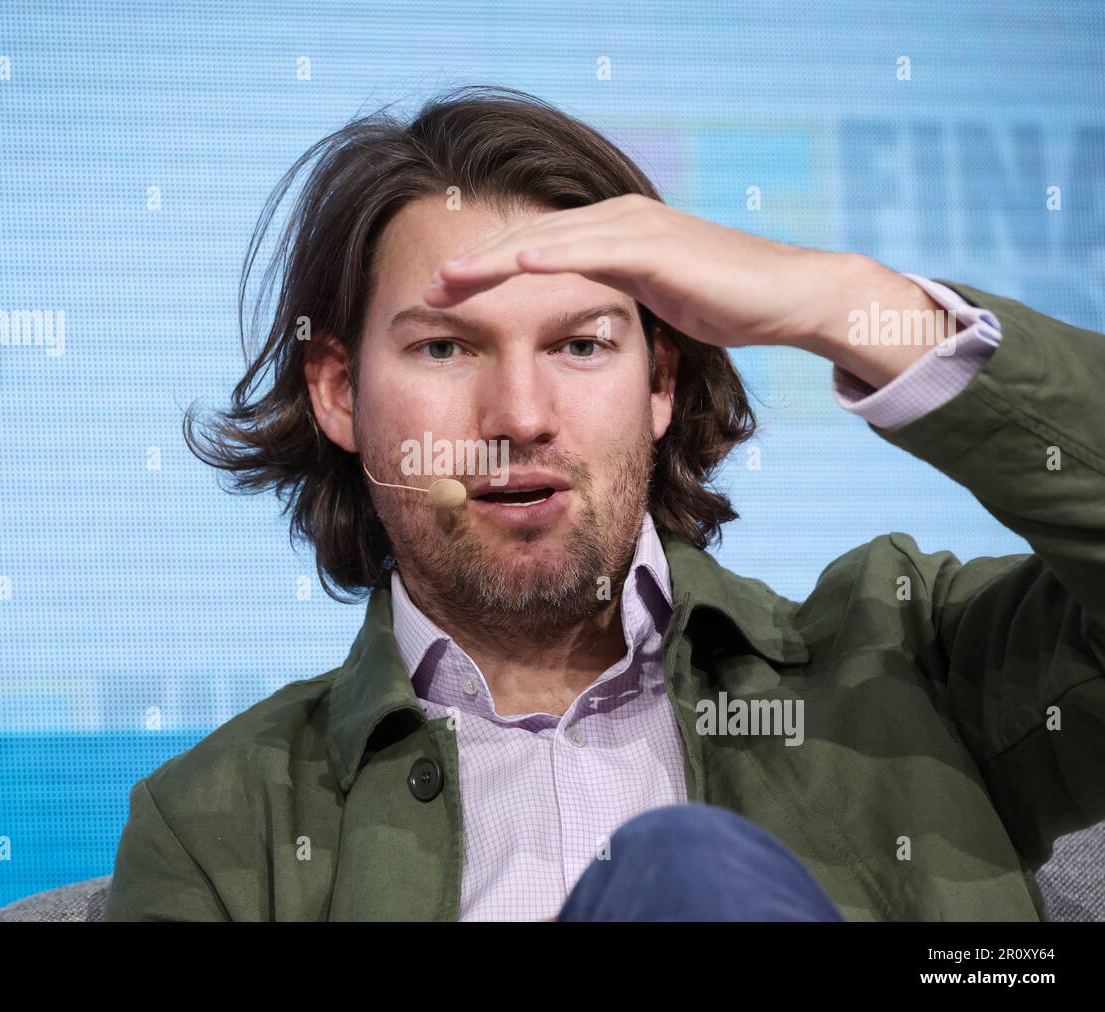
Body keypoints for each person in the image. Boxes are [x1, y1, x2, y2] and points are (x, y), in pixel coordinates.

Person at [104, 85, 1105, 921]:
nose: (520, 414)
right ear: (337, 393)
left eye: (579, 344)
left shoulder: (906, 663)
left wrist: (839, 301)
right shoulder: (217, 830)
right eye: (444, 347)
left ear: (661, 382)